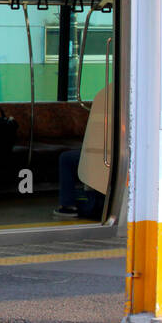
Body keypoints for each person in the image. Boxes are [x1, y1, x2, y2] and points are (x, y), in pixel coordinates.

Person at [54, 82, 112, 220]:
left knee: (66, 158)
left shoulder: (107, 96)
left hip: (106, 152)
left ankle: (68, 205)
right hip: (116, 151)